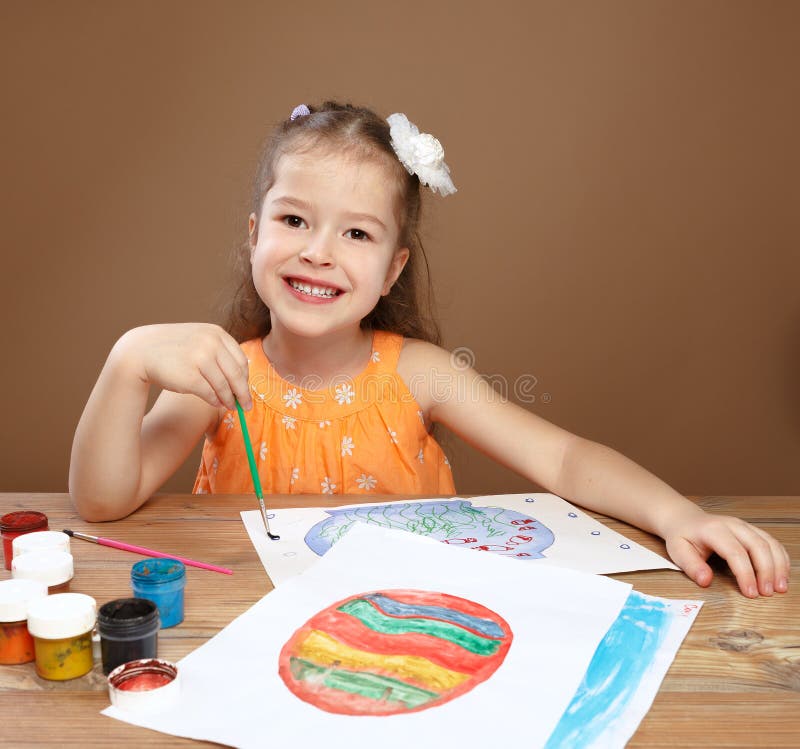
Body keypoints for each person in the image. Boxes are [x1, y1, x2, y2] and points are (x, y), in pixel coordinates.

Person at [70, 101, 789, 599]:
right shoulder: (217, 375)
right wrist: (126, 362)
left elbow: (564, 459)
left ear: (391, 270)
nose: (318, 253)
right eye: (294, 220)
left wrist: (679, 518)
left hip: (409, 628)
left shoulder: (420, 374)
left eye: (356, 233)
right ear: (254, 235)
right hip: (251, 626)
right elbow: (102, 501)